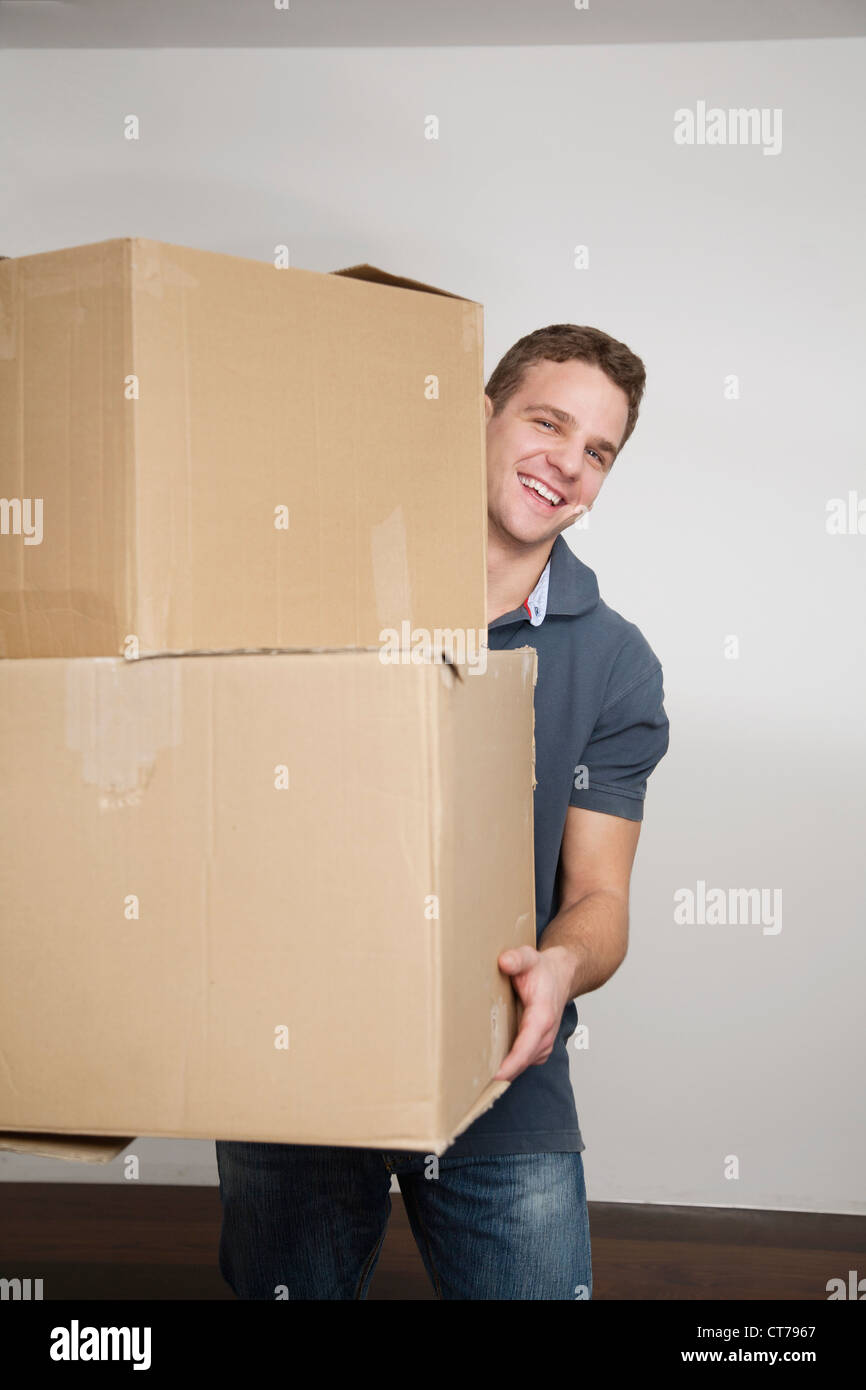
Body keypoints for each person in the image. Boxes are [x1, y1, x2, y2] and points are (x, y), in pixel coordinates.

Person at [215, 323, 671, 1300]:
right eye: (547, 423)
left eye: (596, 451)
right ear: (479, 415)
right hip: (296, 1051)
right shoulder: (311, 578)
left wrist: (559, 966)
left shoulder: (615, 662)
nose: (566, 465)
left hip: (499, 1063)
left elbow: (598, 894)